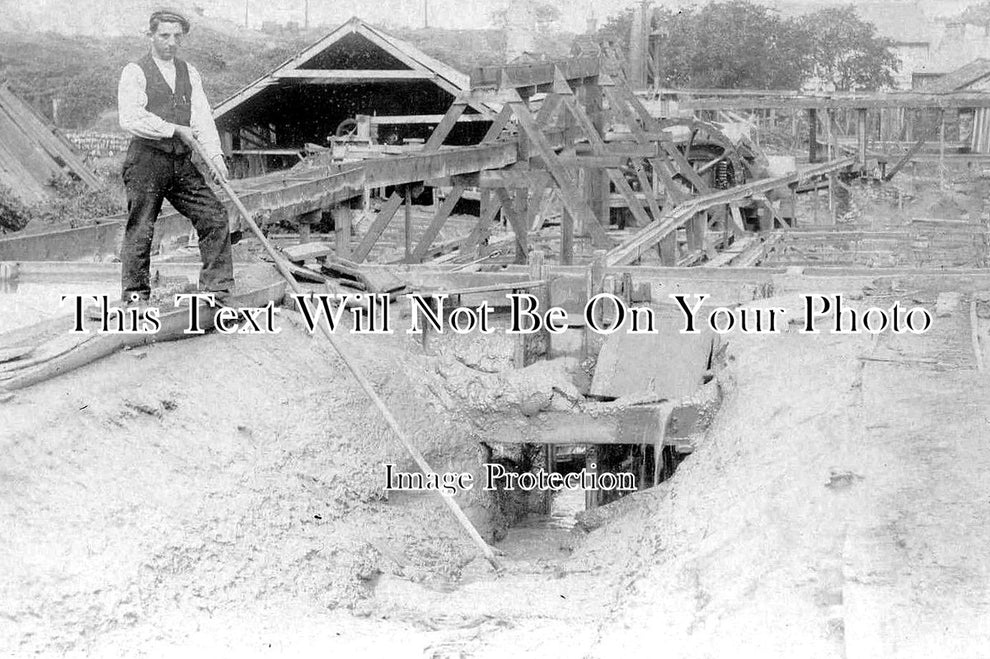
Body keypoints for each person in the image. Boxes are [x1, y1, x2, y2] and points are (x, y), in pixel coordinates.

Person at [115, 8, 233, 308]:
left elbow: (202, 118)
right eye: (164, 35)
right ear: (151, 35)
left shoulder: (188, 72)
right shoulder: (135, 71)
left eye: (177, 36)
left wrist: (216, 158)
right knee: (141, 227)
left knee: (214, 216)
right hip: (146, 161)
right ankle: (135, 297)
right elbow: (130, 118)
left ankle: (216, 291)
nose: (171, 42)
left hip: (180, 163)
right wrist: (172, 129)